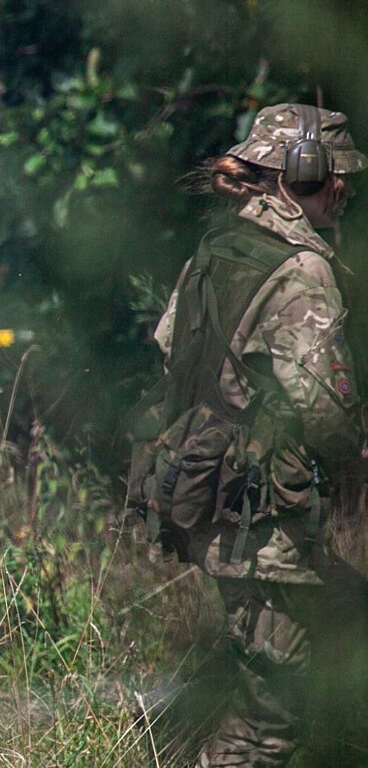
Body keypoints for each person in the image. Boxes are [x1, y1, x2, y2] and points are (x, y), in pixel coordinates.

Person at [148, 103, 368, 766]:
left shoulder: (217, 250)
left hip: (213, 502)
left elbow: (167, 347)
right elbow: (321, 407)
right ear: (311, 175)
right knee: (269, 725)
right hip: (266, 525)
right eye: (341, 177)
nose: (348, 191)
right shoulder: (303, 269)